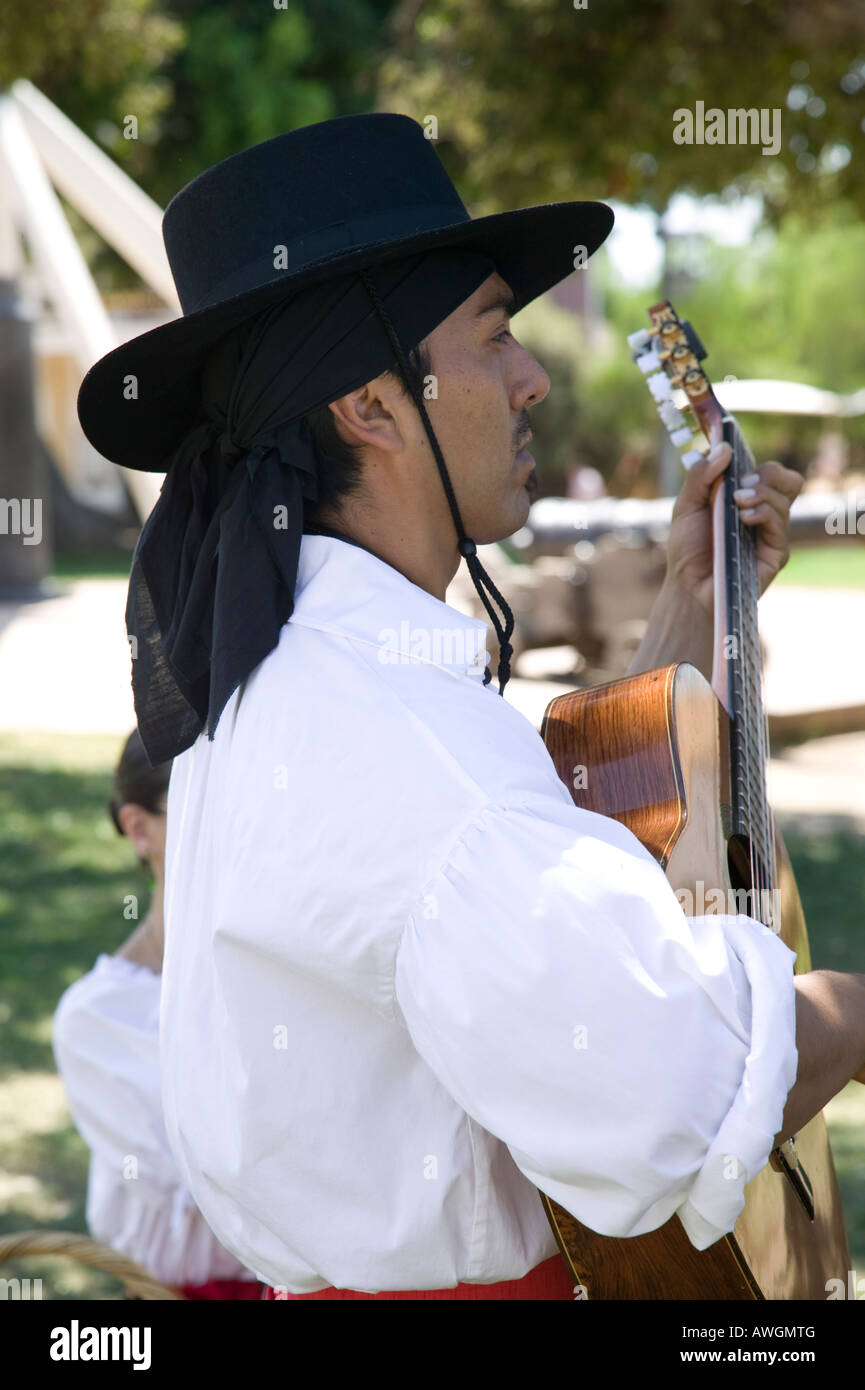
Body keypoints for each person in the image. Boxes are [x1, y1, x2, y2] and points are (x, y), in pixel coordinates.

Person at [77, 114, 865, 1300]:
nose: (533, 373)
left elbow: (550, 838)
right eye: (495, 334)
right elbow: (676, 1084)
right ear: (372, 406)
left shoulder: (285, 677)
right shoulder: (411, 757)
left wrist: (694, 596)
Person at [52, 729, 263, 1299]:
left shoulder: (284, 973)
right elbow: (223, 1184)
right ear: (140, 829)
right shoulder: (102, 1018)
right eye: (203, 806)